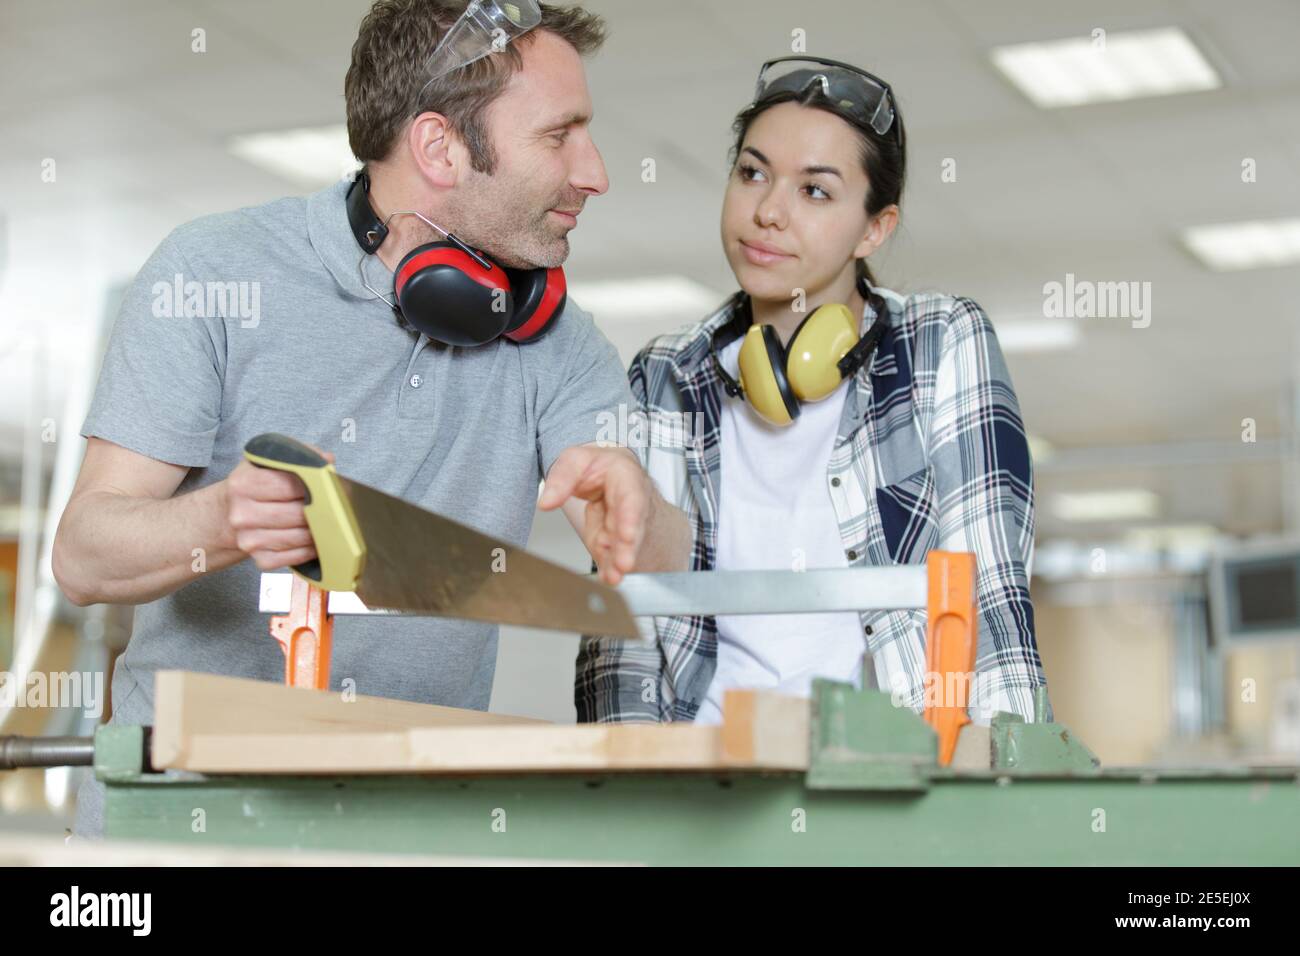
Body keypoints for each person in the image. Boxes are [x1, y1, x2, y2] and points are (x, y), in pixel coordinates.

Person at [53, 0, 689, 836]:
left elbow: (667, 552)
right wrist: (223, 518)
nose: (596, 171)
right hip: (180, 817)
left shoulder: (558, 342)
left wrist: (638, 514)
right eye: (558, 135)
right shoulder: (211, 271)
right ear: (439, 146)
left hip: (412, 827)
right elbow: (82, 555)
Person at [576, 56, 1047, 725]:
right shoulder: (667, 374)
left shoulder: (940, 343)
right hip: (700, 784)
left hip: (880, 780)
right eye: (752, 173)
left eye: (815, 191)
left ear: (874, 228)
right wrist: (623, 791)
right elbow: (623, 624)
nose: (768, 211)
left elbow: (990, 594)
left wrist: (999, 790)